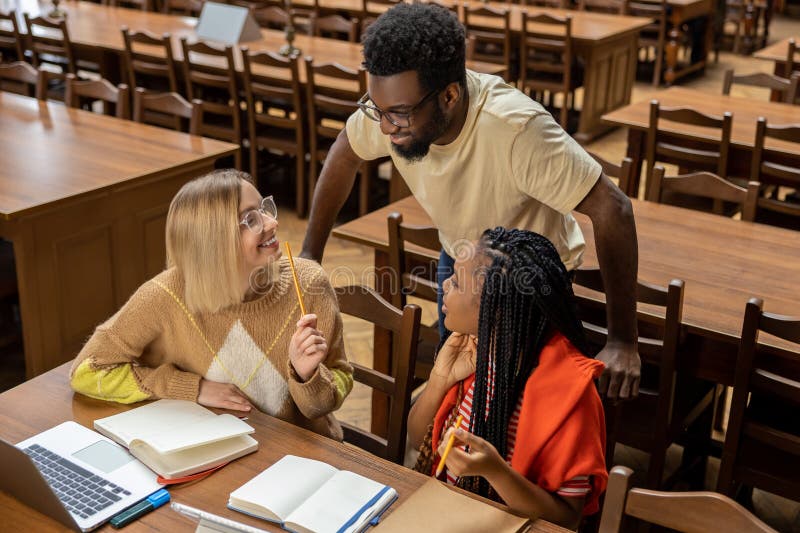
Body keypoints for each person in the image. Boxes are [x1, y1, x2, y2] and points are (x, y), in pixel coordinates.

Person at [300, 3, 640, 399]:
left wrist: (622, 339)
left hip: (527, 286)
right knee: (461, 390)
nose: (387, 127)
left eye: (399, 115)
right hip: (461, 264)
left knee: (522, 405)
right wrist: (310, 252)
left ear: (449, 96)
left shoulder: (516, 130)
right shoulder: (394, 108)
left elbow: (613, 208)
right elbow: (345, 154)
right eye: (378, 110)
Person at [70, 170, 353, 440]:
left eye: (264, 209)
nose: (272, 223)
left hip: (302, 458)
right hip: (219, 454)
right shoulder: (164, 296)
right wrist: (191, 388)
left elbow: (332, 389)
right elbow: (87, 371)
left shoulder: (310, 283)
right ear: (214, 243)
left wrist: (308, 376)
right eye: (251, 219)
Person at [408, 228, 607, 529]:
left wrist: (496, 472)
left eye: (457, 283)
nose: (444, 284)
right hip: (447, 513)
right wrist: (439, 379)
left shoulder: (571, 392)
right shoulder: (474, 348)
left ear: (495, 311)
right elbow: (415, 438)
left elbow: (567, 518)